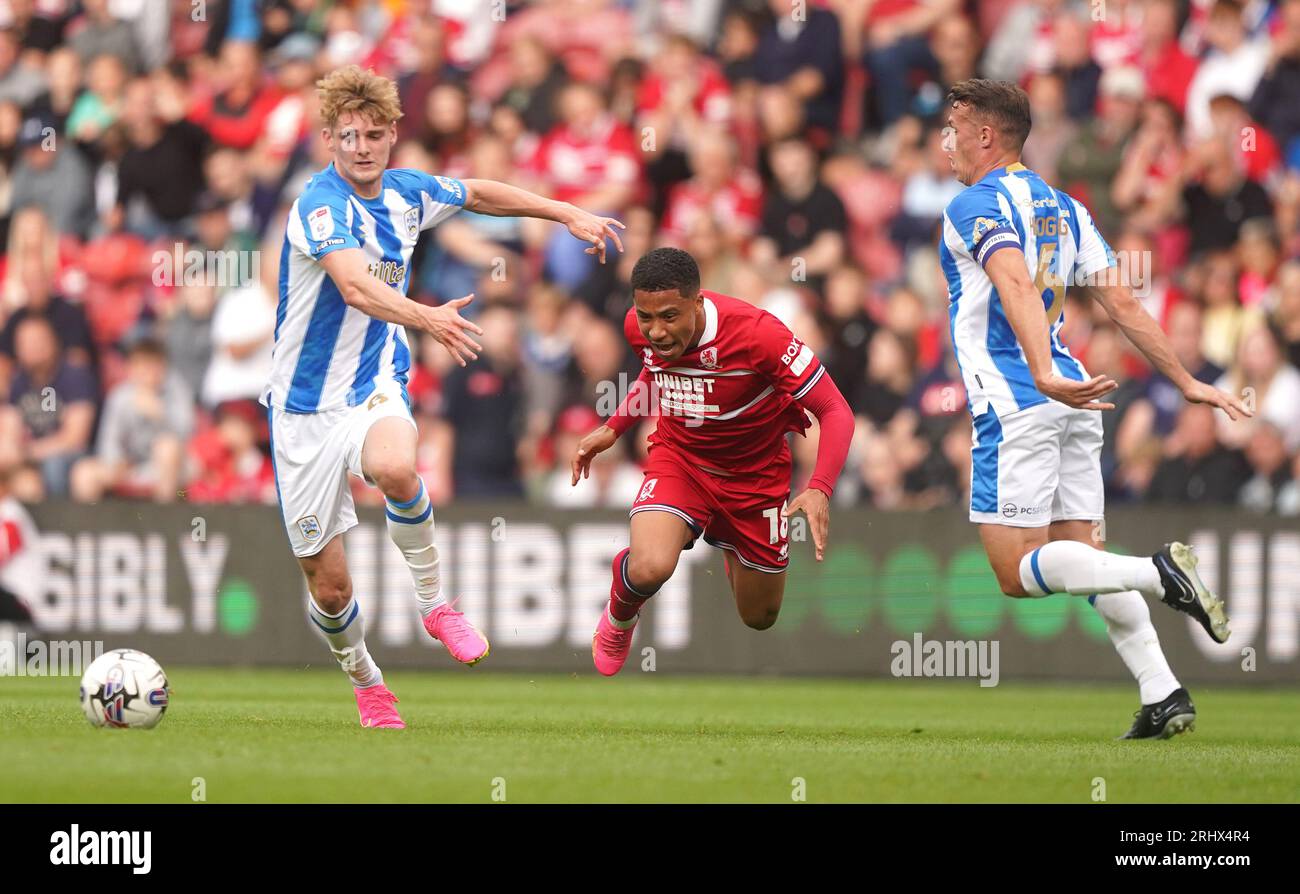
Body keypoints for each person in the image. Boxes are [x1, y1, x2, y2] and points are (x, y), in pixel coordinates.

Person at [262, 65, 624, 730]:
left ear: (394, 136)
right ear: (327, 140)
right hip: (302, 408)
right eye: (350, 136)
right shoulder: (319, 205)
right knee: (330, 586)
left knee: (399, 467)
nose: (363, 147)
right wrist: (426, 317)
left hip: (372, 382)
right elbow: (353, 286)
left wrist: (564, 210)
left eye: (375, 134)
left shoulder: (406, 193)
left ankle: (435, 605)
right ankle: (368, 682)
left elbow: (479, 193)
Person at [939, 79, 1251, 739]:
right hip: (1078, 396)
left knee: (1015, 572)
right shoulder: (1065, 207)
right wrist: (1186, 379)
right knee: (1082, 556)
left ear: (986, 136)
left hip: (1021, 397)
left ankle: (1159, 572)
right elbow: (1124, 303)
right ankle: (1163, 692)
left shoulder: (974, 205)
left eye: (956, 128)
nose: (948, 142)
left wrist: (1043, 374)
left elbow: (1015, 282)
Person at [569, 247, 854, 676]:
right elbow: (655, 371)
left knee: (759, 616)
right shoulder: (637, 328)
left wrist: (819, 487)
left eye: (669, 317)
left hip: (756, 478)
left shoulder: (759, 336)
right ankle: (619, 615)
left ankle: (724, 533)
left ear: (698, 303)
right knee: (649, 567)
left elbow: (835, 409)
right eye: (646, 317)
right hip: (681, 460)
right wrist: (614, 428)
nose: (657, 331)